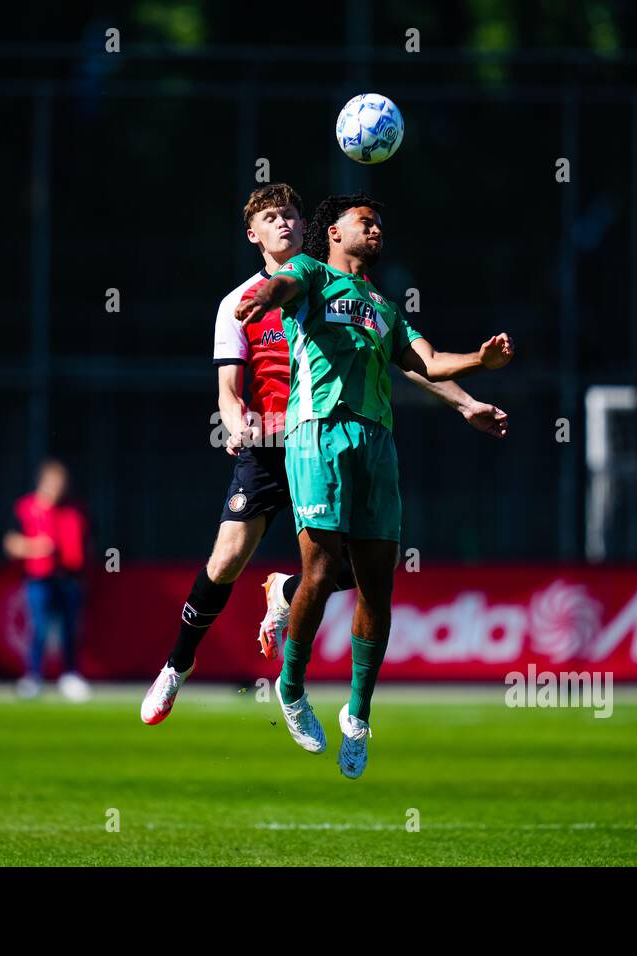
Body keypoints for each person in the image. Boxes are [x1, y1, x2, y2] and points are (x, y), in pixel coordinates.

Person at [139, 184, 508, 726]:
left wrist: (465, 402)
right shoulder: (240, 301)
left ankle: (287, 594)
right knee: (225, 561)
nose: (284, 222)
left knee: (358, 567)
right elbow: (228, 389)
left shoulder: (338, 285)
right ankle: (177, 665)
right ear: (253, 234)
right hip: (270, 443)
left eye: (290, 213)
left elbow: (404, 359)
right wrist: (236, 421)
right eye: (270, 217)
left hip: (328, 439)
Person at [234, 192, 514, 778]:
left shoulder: (385, 308)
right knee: (319, 568)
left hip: (377, 444)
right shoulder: (310, 274)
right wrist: (262, 293)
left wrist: (476, 373)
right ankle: (291, 686)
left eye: (381, 223)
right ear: (334, 232)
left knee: (376, 584)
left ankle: (358, 715)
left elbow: (428, 362)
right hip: (319, 434)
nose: (377, 229)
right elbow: (280, 288)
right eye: (367, 221)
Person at [3, 458, 91, 702]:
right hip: (39, 578)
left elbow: (89, 541)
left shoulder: (76, 510)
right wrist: (35, 547)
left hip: (69, 579)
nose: (57, 488)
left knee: (70, 629)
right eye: (53, 483)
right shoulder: (25, 508)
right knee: (39, 628)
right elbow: (10, 543)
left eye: (61, 483)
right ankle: (33, 677)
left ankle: (70, 676)